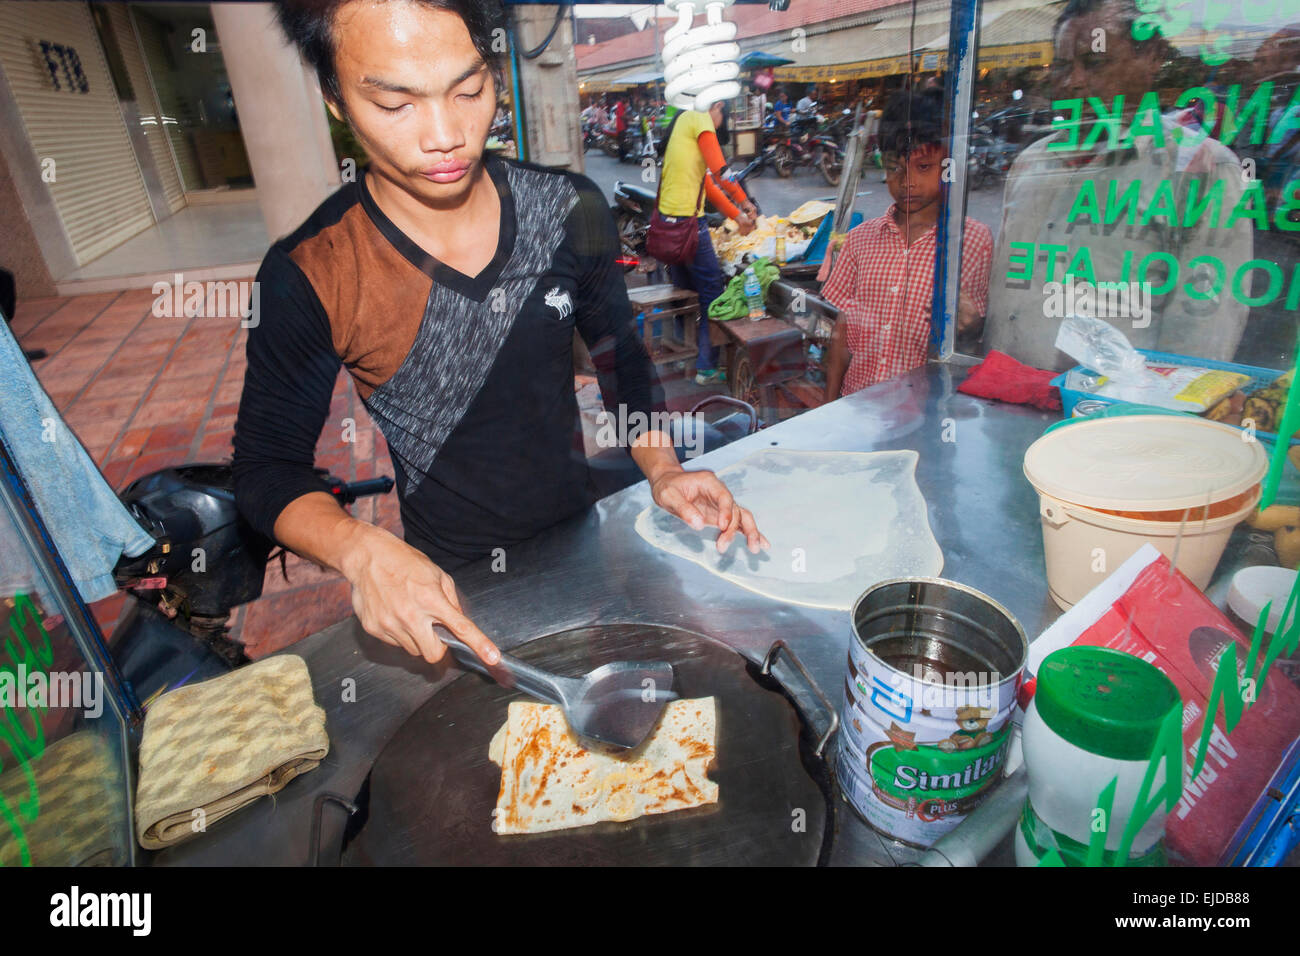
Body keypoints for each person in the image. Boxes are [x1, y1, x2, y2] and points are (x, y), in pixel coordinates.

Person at [236, 0, 767, 667]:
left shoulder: (569, 207)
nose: (445, 135)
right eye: (396, 105)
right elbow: (265, 470)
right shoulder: (313, 271)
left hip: (585, 537)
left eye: (468, 90)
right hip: (459, 585)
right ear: (335, 99)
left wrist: (662, 469)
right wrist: (359, 549)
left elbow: (621, 361)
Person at [979, 0, 1254, 371]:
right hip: (1002, 394)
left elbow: (1203, 330)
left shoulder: (1202, 168)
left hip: (1111, 416)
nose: (1073, 81)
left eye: (1094, 63)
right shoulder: (1033, 162)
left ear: (1152, 60)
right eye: (1062, 66)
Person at [821, 90, 993, 400]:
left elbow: (973, 341)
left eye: (924, 167)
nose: (907, 182)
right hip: (856, 405)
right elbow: (841, 334)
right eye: (894, 168)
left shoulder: (972, 241)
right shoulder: (860, 240)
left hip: (922, 416)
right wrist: (827, 408)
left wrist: (971, 327)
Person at [657, 100, 760, 385]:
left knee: (684, 290)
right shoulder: (700, 119)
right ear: (718, 105)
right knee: (713, 293)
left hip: (669, 226)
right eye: (721, 118)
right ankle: (706, 368)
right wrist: (745, 201)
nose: (718, 126)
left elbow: (711, 189)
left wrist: (738, 215)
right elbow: (722, 173)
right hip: (690, 225)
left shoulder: (681, 122)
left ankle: (682, 354)